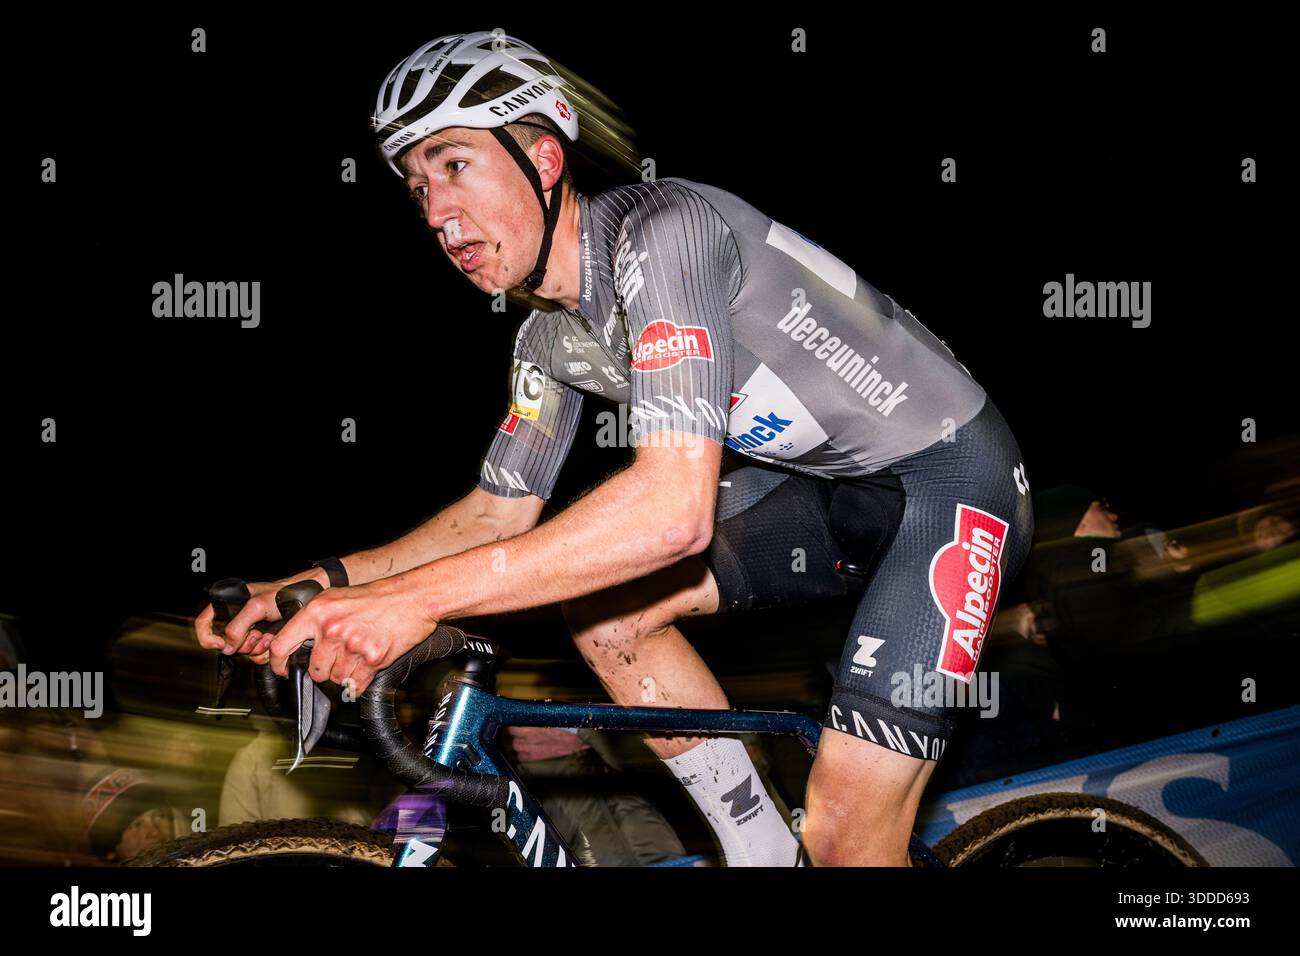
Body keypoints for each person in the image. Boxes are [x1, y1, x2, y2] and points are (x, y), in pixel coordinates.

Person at [195, 31, 1033, 867]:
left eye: (454, 165)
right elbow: (493, 514)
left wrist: (407, 602)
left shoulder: (662, 231)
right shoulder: (547, 341)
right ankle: (761, 855)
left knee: (848, 830)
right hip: (823, 489)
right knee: (609, 616)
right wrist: (321, 586)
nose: (436, 210)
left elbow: (672, 513)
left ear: (545, 159)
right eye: (416, 185)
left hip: (950, 482)